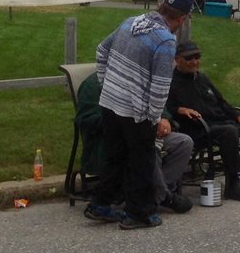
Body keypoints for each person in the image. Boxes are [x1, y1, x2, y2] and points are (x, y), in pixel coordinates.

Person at [85, 0, 191, 230]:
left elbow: (101, 50)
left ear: (161, 7)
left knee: (114, 157)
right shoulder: (165, 40)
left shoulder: (130, 22)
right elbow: (160, 86)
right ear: (181, 19)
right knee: (141, 161)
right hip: (136, 111)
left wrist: (107, 84)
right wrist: (154, 117)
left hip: (110, 102)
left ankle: (100, 204)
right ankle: (138, 213)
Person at [167, 40, 240, 202]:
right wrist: (178, 110)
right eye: (189, 58)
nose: (194, 62)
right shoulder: (171, 83)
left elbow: (221, 102)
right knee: (229, 132)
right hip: (199, 129)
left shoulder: (202, 78)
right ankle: (233, 183)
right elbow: (166, 107)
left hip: (222, 122)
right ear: (177, 59)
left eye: (197, 57)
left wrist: (237, 116)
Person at [76, 72, 193, 215]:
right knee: (147, 148)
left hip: (148, 131)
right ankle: (163, 196)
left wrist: (163, 117)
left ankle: (154, 191)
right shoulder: (93, 85)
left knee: (184, 142)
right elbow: (86, 119)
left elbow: (158, 104)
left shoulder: (138, 79)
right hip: (111, 140)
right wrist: (125, 123)